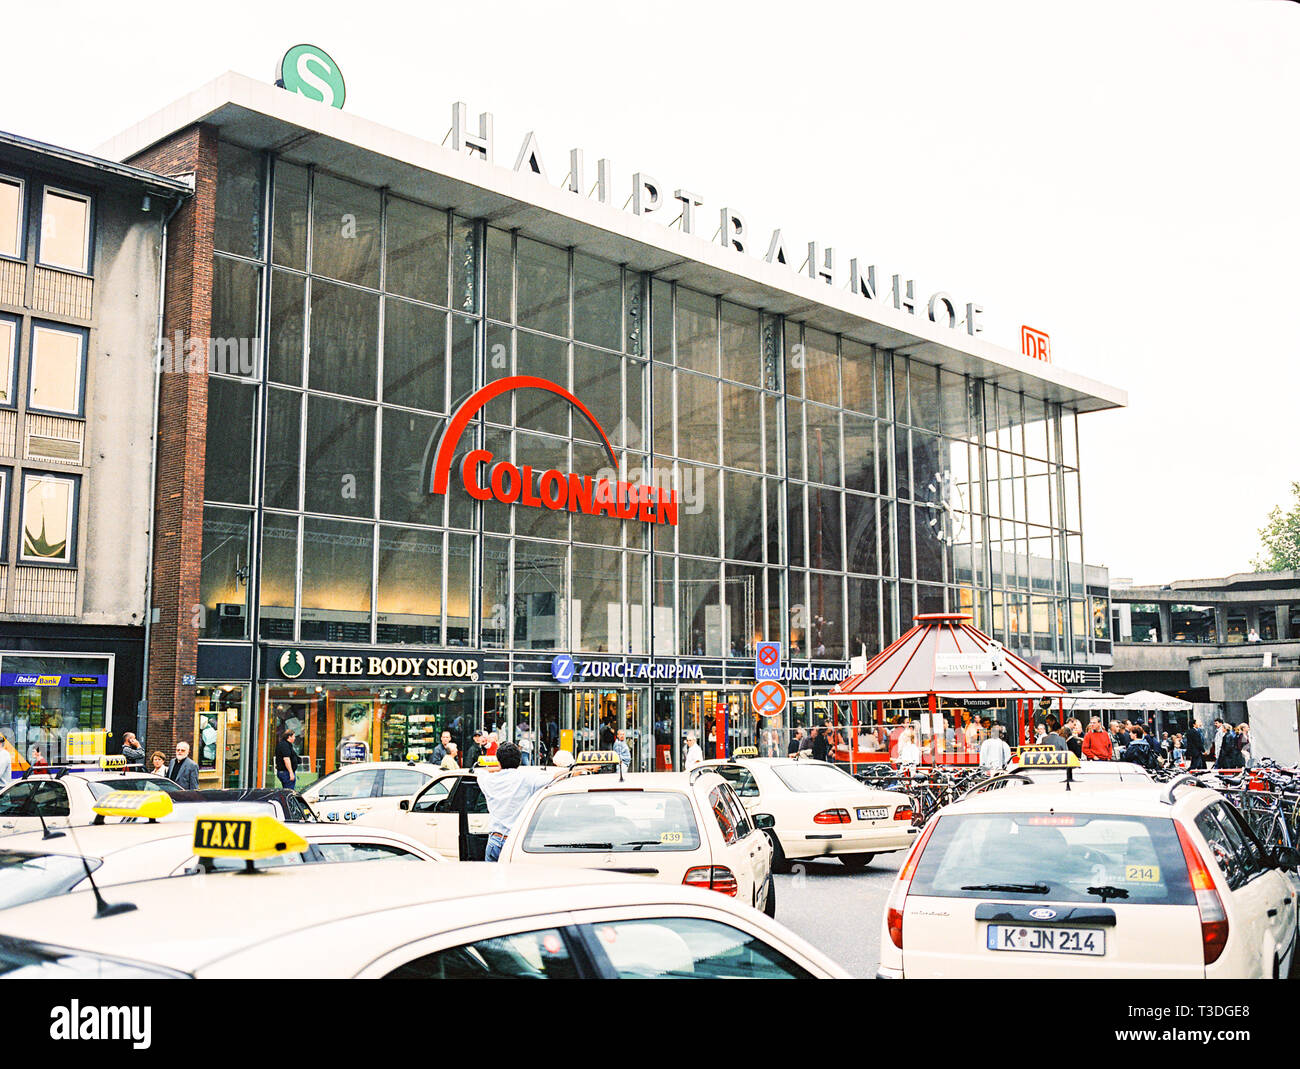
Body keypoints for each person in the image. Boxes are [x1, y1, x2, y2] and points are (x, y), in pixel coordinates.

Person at [478, 743, 571, 862]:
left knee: (493, 878)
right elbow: (556, 776)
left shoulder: (487, 779)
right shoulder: (526, 778)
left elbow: (480, 771)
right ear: (520, 760)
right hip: (516, 841)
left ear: (498, 760)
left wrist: (498, 766)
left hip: (494, 841)